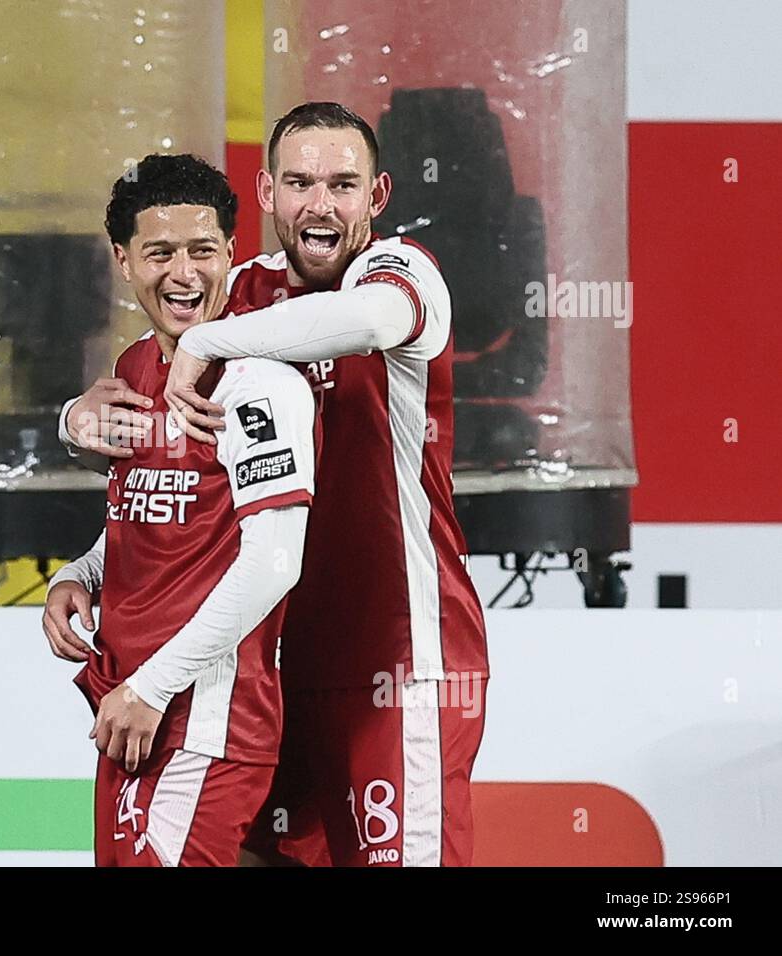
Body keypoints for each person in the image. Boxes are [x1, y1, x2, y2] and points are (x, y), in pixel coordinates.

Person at [60, 102, 488, 867]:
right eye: (299, 182)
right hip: (271, 667)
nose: (320, 204)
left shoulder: (399, 272)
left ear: (377, 197)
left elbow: (367, 321)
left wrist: (204, 343)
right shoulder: (241, 292)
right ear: (266, 195)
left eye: (342, 184)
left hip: (392, 656)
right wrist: (75, 423)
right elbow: (179, 481)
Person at [43, 154, 317, 867]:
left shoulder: (258, 383)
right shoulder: (132, 368)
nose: (184, 274)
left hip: (205, 721)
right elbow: (150, 518)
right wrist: (79, 575)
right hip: (131, 712)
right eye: (159, 253)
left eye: (202, 251)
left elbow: (274, 561)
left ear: (231, 251)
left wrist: (151, 687)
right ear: (123, 261)